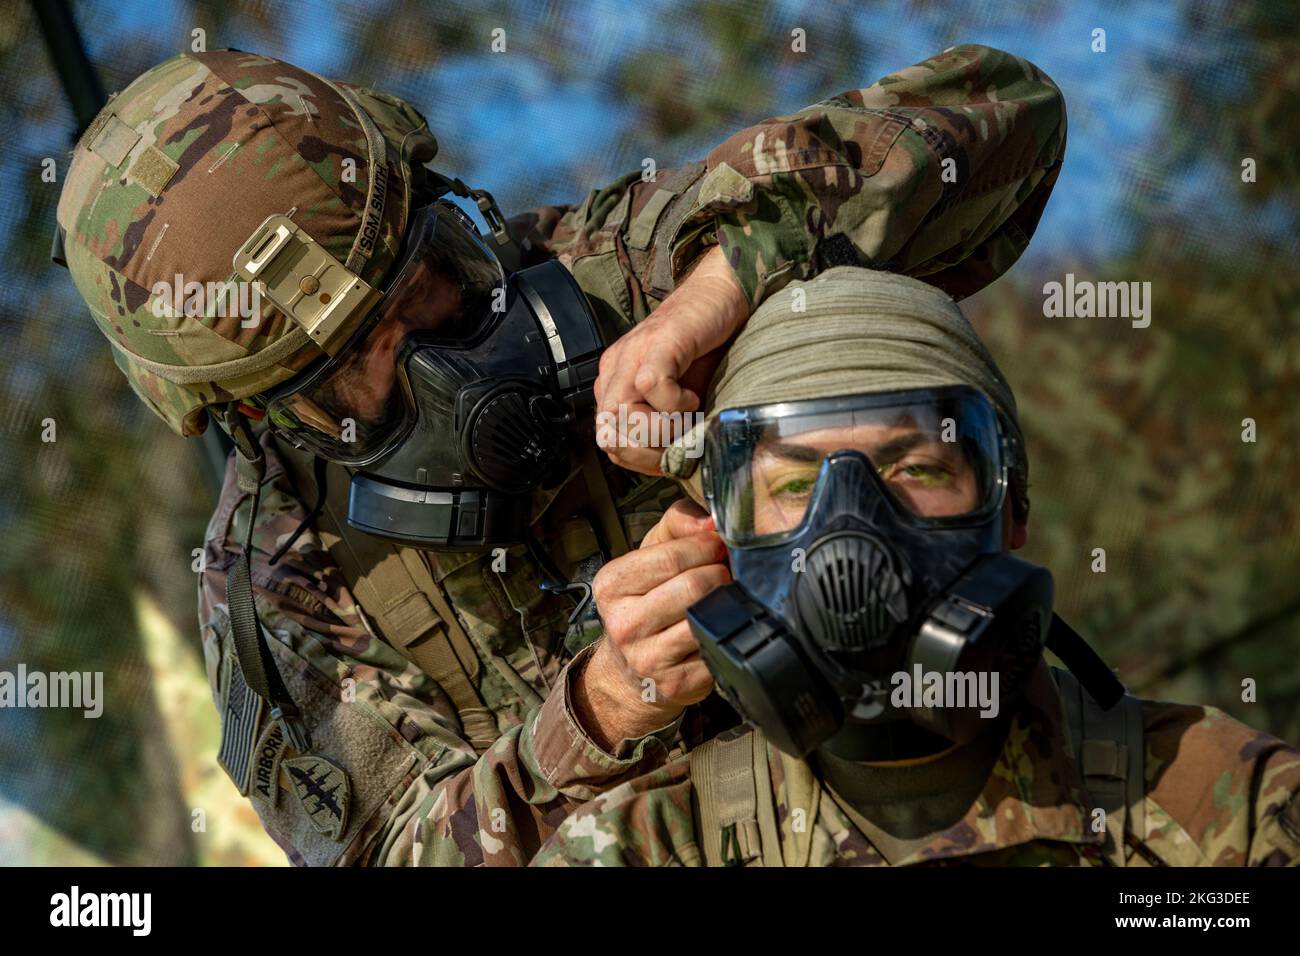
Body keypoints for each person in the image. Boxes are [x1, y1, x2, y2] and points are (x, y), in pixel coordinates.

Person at [54, 44, 1067, 865]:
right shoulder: (280, 582)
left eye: (421, 288)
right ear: (245, 415)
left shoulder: (620, 267)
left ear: (446, 207)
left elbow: (1003, 112)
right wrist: (594, 709)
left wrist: (716, 297)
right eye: (337, 377)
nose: (419, 370)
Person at [531, 267, 1300, 867]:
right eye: (796, 484)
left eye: (919, 471)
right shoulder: (643, 846)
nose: (851, 528)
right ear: (718, 540)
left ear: (1010, 509)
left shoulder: (1222, 805)